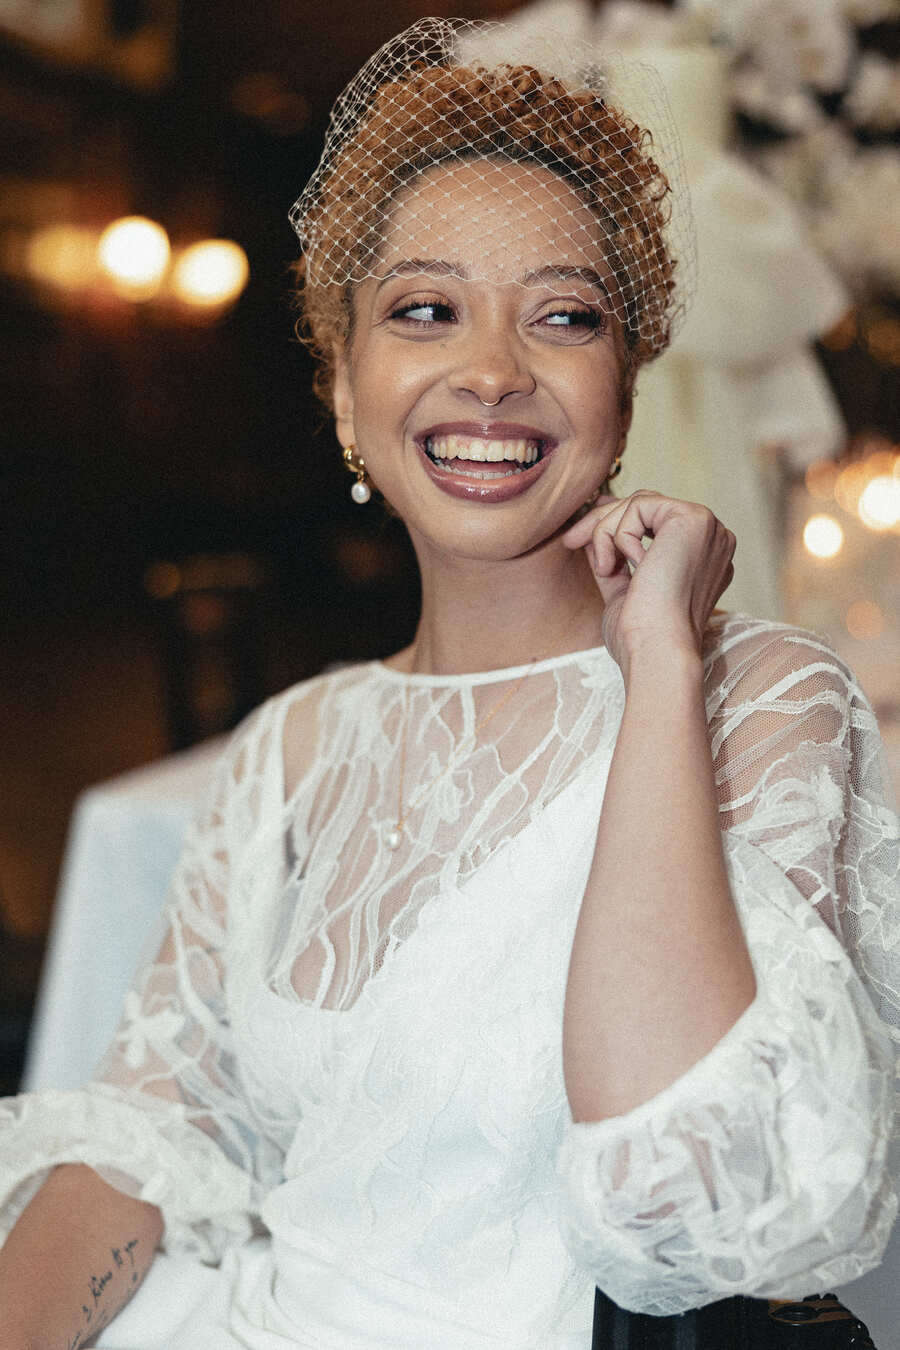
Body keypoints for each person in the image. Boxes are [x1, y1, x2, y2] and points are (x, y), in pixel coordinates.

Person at [1, 17, 898, 1350]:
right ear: (349, 396)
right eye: (425, 310)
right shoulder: (288, 747)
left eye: (564, 316)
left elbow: (694, 1205)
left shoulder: (760, 697)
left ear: (623, 386)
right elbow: (154, 1128)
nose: (491, 371)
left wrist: (661, 664)